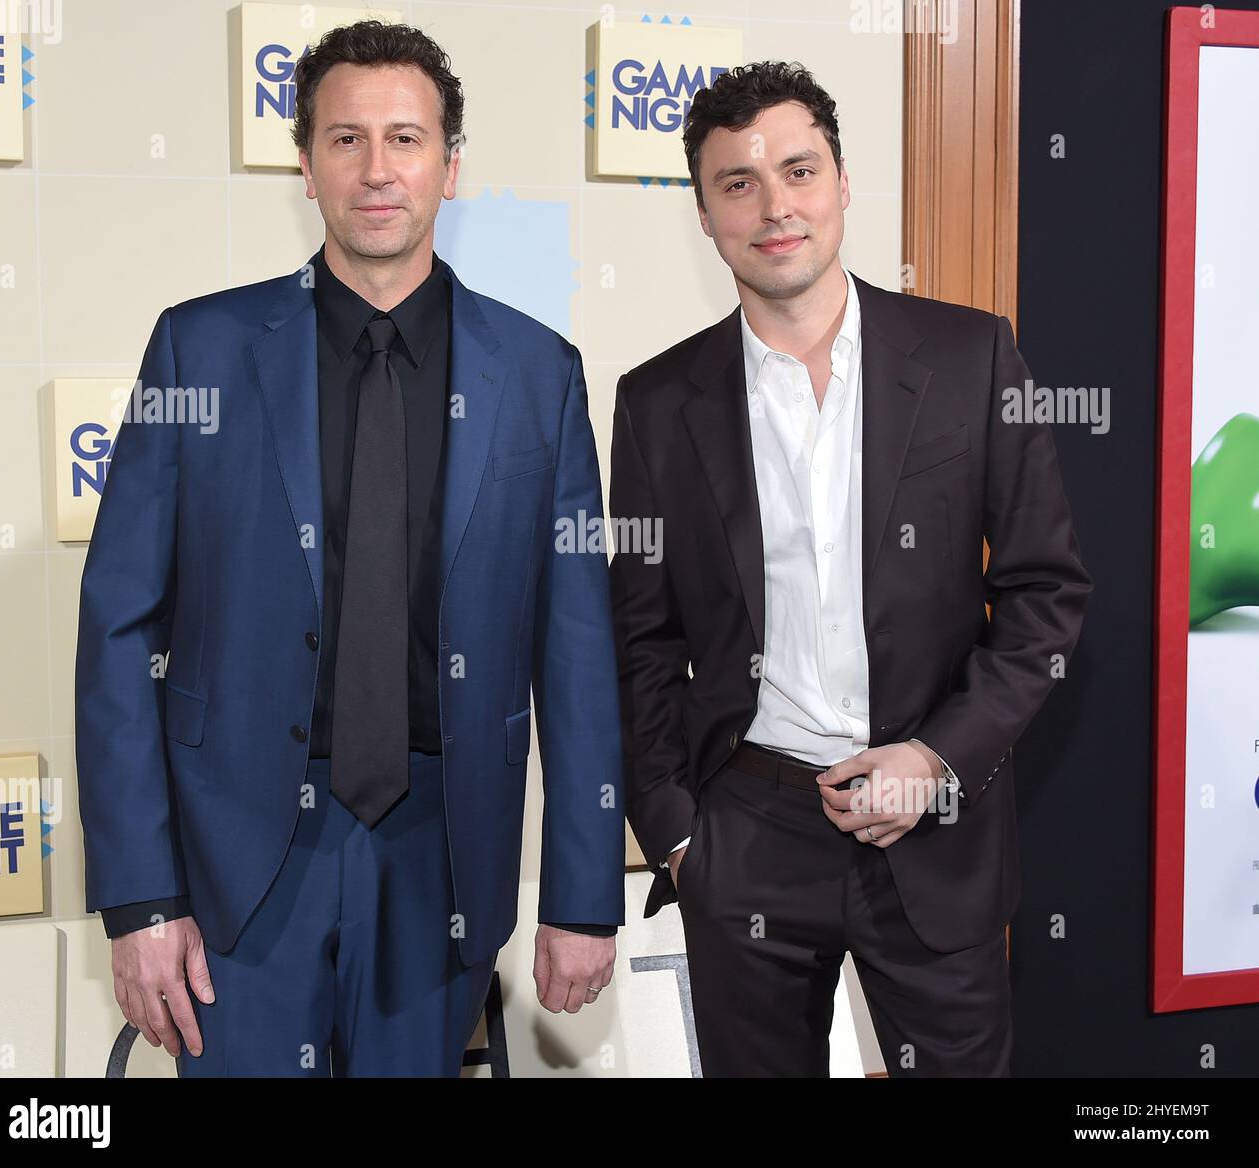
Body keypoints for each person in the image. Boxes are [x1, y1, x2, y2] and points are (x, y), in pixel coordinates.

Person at [75, 20, 623, 1077]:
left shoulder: (539, 374)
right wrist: (141, 895)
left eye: (407, 139)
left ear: (450, 166)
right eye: (346, 139)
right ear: (306, 164)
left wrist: (583, 898)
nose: (378, 170)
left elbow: (579, 652)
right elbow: (117, 627)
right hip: (236, 860)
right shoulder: (202, 348)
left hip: (442, 860)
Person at [609, 60, 1092, 1077]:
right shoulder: (657, 402)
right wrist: (679, 837)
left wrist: (934, 761)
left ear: (839, 181)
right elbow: (640, 638)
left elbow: (1046, 593)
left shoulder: (972, 359)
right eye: (736, 182)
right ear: (702, 212)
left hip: (933, 834)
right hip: (743, 835)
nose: (773, 205)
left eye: (797, 170)